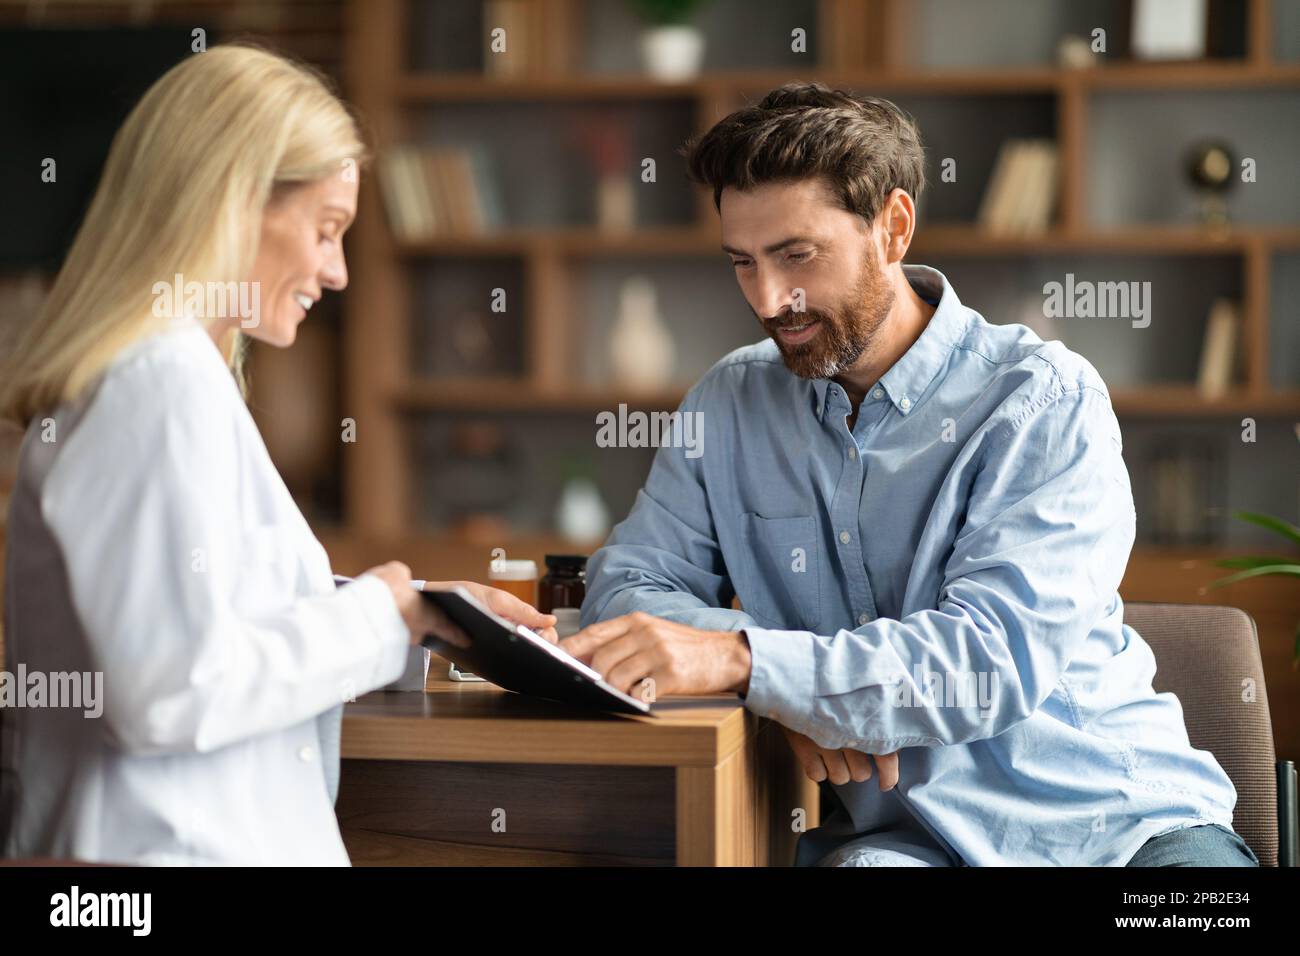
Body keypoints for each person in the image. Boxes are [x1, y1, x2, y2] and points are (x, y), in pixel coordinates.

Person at [565, 82, 1258, 867]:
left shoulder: (1041, 401)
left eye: (797, 256)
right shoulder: (729, 404)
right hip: (899, 845)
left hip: (1117, 828)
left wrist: (751, 664)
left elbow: (986, 661)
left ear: (892, 228)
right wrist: (786, 690)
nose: (768, 299)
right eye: (742, 263)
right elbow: (624, 590)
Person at [0, 44, 555, 865]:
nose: (334, 272)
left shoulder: (169, 374)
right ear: (233, 201)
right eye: (326, 231)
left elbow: (208, 607)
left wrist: (422, 614)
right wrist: (379, 614)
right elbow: (168, 690)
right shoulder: (158, 381)